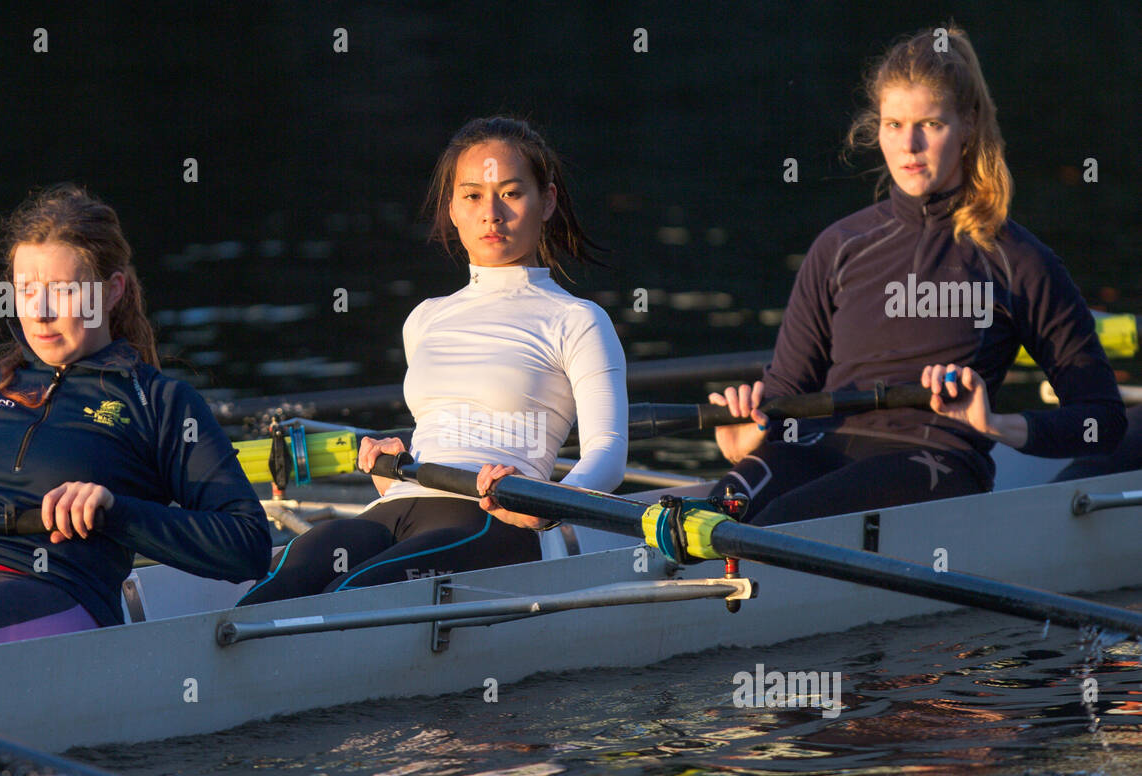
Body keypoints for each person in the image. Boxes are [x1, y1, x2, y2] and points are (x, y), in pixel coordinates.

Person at [704, 25, 1124, 525]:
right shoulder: (838, 248)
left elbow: (1103, 419)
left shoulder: (1018, 261)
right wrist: (746, 433)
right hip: (818, 445)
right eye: (893, 124)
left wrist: (996, 424)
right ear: (875, 129)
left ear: (968, 125)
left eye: (930, 123)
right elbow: (788, 395)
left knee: (775, 529)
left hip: (935, 460)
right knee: (702, 522)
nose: (910, 145)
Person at [0, 185, 271, 663]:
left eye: (64, 292)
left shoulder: (160, 402)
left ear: (112, 291)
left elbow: (247, 544)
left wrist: (117, 512)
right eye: (26, 292)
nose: (40, 313)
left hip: (49, 589)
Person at [239, 117, 627, 604]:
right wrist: (389, 467)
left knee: (347, 595)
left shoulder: (578, 320)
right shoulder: (425, 319)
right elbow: (445, 429)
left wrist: (547, 506)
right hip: (398, 506)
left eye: (510, 193)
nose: (492, 214)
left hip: (493, 522)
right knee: (265, 597)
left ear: (546, 202)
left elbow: (607, 455)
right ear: (453, 209)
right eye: (472, 196)